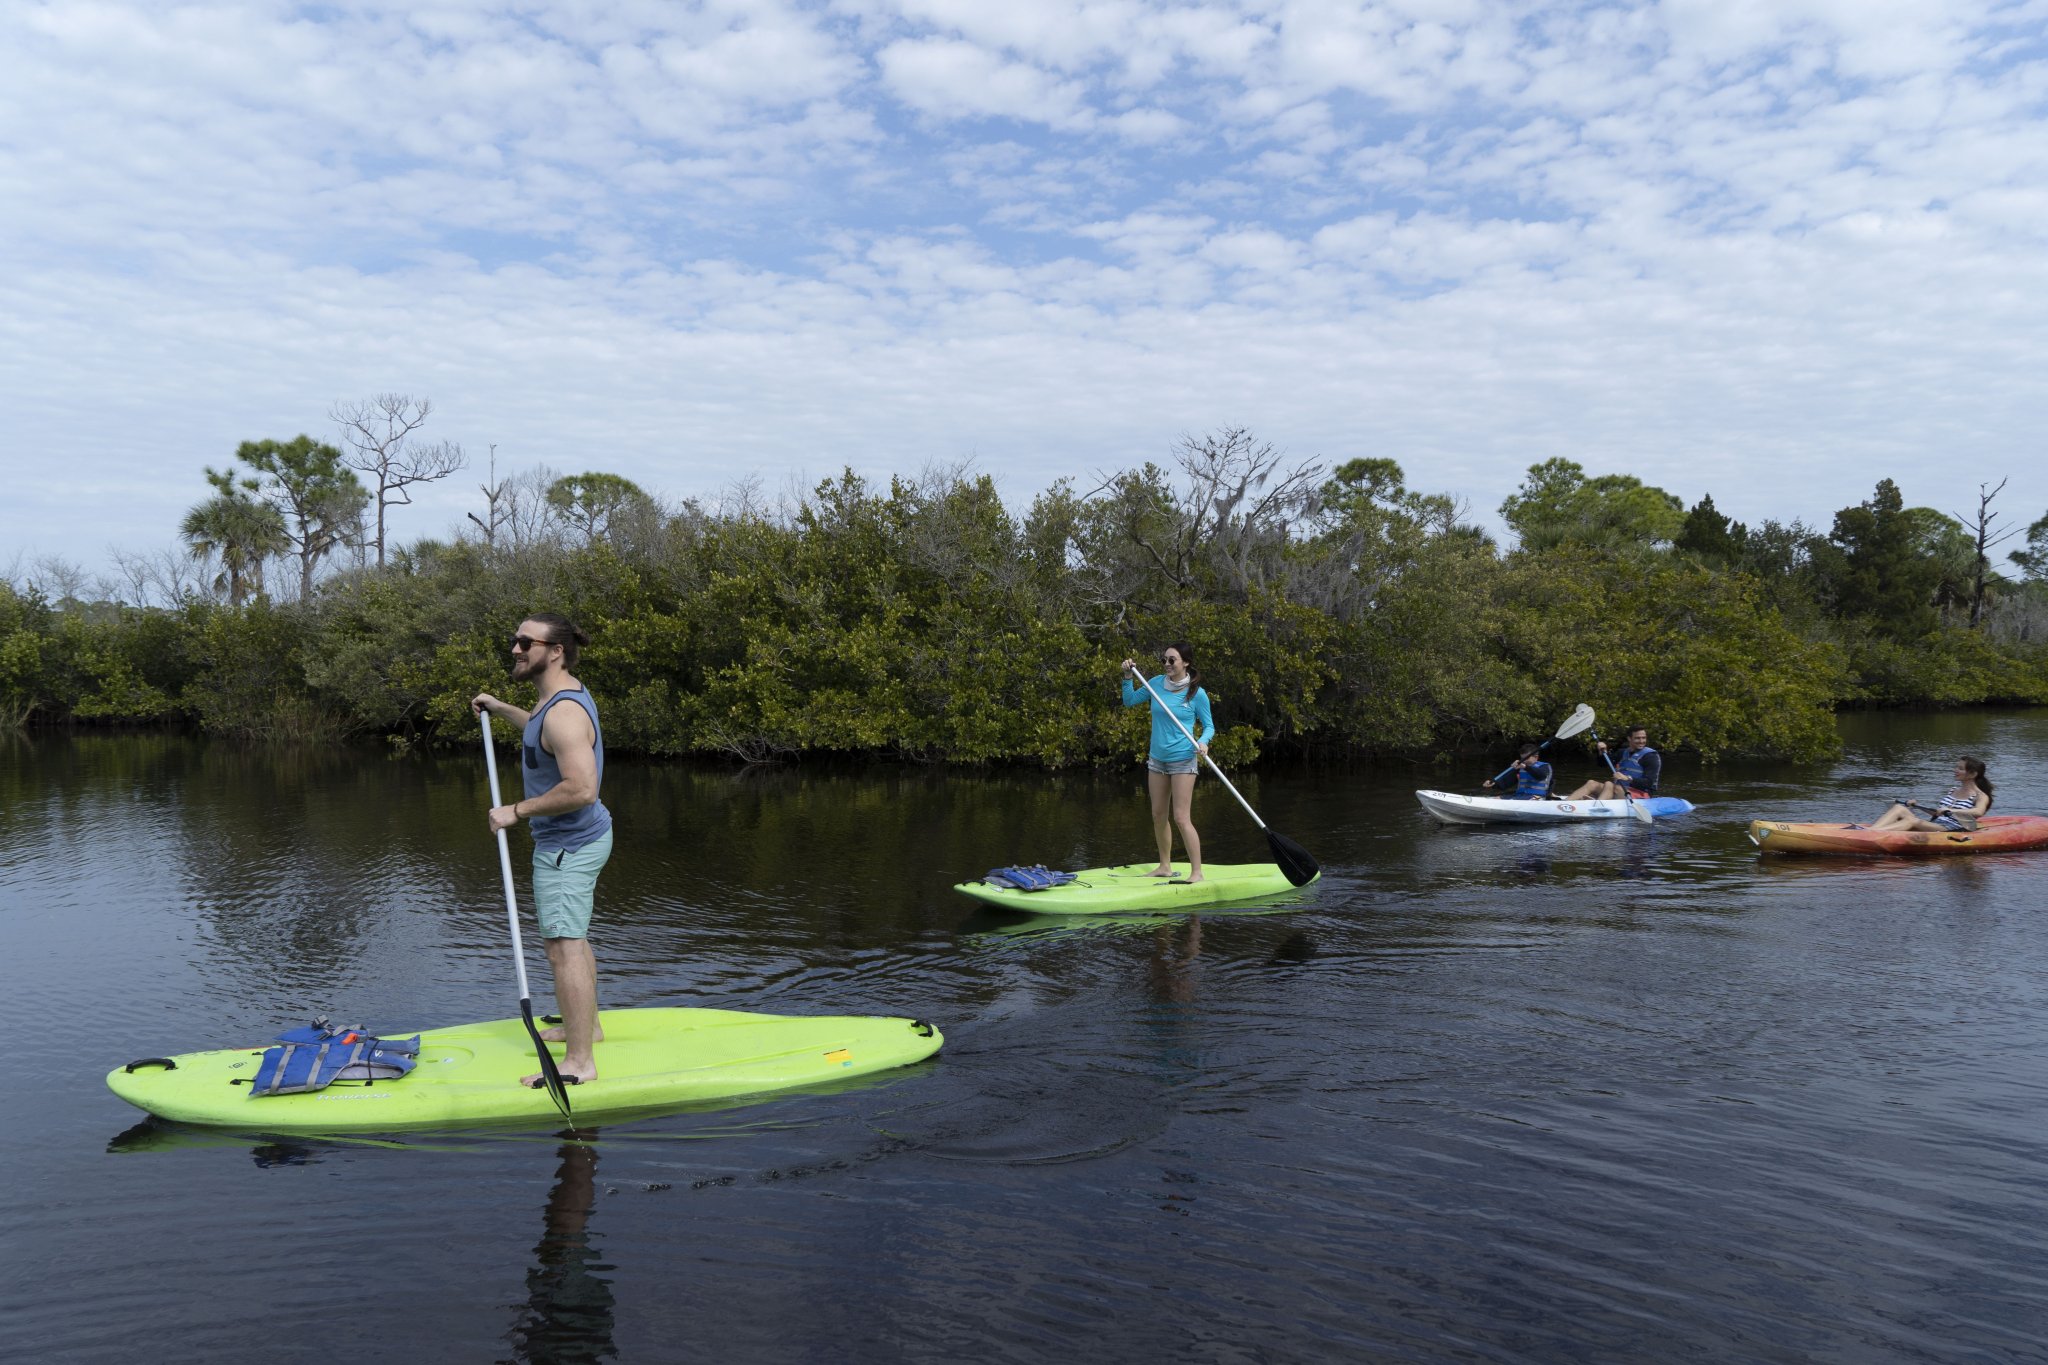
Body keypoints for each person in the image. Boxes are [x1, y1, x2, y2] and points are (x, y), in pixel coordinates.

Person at [473, 613, 613, 1088]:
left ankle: (579, 1063)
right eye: (514, 640)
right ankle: (588, 1027)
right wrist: (498, 707)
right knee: (574, 935)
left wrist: (517, 810)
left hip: (567, 847)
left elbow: (581, 788)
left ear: (554, 651)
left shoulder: (564, 714)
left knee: (562, 946)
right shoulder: (556, 699)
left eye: (525, 642)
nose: (515, 648)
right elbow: (538, 727)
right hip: (579, 839)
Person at [1120, 644, 1214, 882]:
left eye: (1172, 660)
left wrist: (1203, 741)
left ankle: (1197, 873)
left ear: (1186, 663)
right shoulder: (1155, 683)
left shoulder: (1196, 693)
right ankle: (1165, 866)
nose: (1167, 664)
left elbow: (1209, 726)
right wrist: (1128, 676)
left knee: (1181, 817)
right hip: (1157, 760)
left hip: (1183, 759)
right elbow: (1129, 700)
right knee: (1158, 815)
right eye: (1164, 660)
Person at [1862, 757, 1994, 832]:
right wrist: (1916, 806)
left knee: (1911, 820)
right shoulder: (1953, 790)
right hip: (1936, 823)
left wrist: (1950, 810)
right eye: (1956, 767)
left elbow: (1979, 812)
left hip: (1951, 829)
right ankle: (1872, 831)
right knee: (1899, 808)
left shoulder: (1980, 795)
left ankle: (1871, 833)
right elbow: (1937, 813)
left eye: (1960, 768)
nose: (1955, 770)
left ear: (1972, 774)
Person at [1563, 725, 1661, 801]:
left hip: (1641, 795)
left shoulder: (1651, 756)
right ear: (1629, 739)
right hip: (1619, 790)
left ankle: (1597, 805)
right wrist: (1602, 752)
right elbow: (1602, 764)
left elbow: (1649, 783)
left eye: (1643, 738)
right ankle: (1564, 803)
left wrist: (1627, 778)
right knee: (1591, 783)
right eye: (1637, 738)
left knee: (1609, 784)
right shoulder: (1622, 752)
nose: (1641, 741)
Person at [1483, 743, 1553, 800]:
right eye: (1522, 758)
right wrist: (1493, 784)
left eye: (1526, 758)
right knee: (1496, 798)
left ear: (1536, 757)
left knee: (1500, 799)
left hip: (1537, 797)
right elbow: (1506, 783)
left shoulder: (1545, 766)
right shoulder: (1520, 768)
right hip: (1520, 796)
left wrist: (1525, 767)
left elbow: (1540, 776)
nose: (1523, 760)